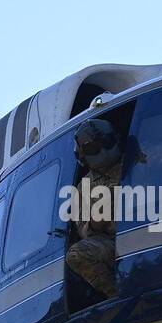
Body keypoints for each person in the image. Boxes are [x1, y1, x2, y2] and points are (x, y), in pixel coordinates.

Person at [66, 118, 123, 299]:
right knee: (77, 254)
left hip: (151, 226)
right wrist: (97, 222)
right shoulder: (83, 189)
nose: (104, 150)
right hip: (114, 242)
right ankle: (119, 295)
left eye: (106, 143)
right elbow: (84, 229)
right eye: (94, 148)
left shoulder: (142, 158)